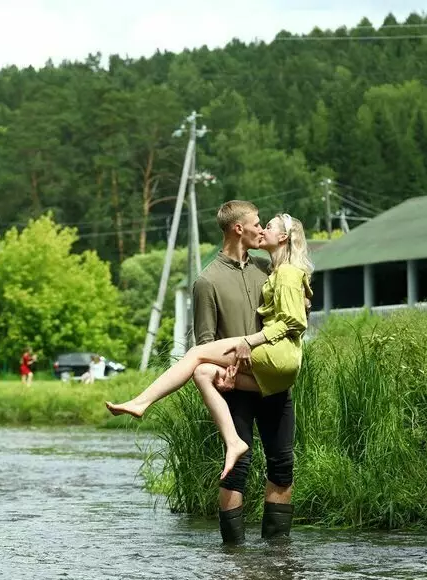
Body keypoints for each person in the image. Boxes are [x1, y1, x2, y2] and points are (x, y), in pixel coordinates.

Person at [109, 201, 309, 544]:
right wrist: (226, 373)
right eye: (257, 224)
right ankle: (233, 557)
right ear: (238, 229)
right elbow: (205, 342)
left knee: (282, 467)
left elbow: (291, 309)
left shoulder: (267, 268)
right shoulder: (207, 281)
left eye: (264, 225)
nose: (261, 229)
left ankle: (278, 554)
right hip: (237, 385)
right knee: (237, 472)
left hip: (272, 382)